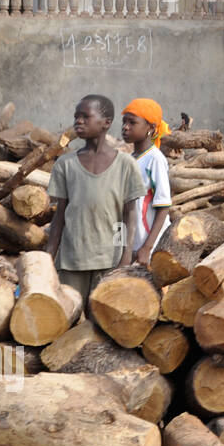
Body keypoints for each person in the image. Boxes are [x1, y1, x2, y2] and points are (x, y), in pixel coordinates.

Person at [45, 94, 147, 300]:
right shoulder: (65, 165)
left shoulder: (125, 165)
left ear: (106, 123)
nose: (78, 121)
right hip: (72, 260)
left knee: (103, 321)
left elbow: (129, 216)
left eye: (85, 116)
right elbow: (59, 217)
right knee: (67, 317)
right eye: (76, 116)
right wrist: (48, 258)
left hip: (109, 260)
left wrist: (125, 256)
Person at [120, 98, 173, 268]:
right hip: (131, 245)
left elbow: (163, 206)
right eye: (124, 121)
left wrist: (147, 247)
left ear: (150, 128)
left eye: (132, 122)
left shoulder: (155, 159)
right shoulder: (129, 160)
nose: (125, 127)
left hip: (149, 245)